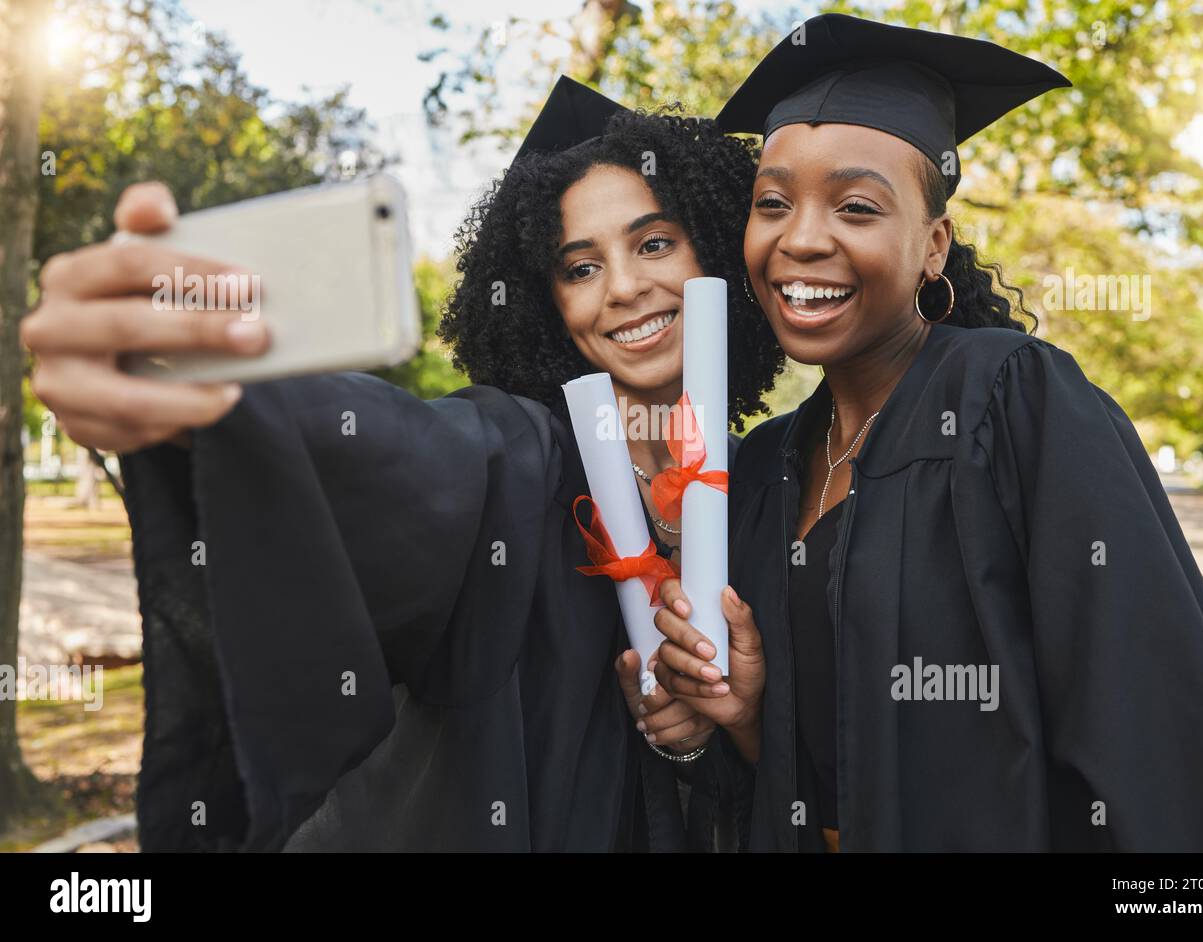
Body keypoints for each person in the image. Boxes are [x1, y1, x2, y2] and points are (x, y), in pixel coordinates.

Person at [21, 77, 783, 851]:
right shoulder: (522, 458)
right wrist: (199, 393)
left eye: (655, 243)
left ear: (715, 249)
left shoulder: (764, 482)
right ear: (544, 302)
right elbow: (397, 455)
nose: (623, 288)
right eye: (579, 268)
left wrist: (705, 733)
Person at [648, 14, 1203, 852]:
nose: (801, 237)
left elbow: (1162, 724)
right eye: (771, 203)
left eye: (855, 206)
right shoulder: (770, 461)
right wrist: (739, 719)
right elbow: (810, 777)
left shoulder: (1012, 398)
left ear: (933, 247)